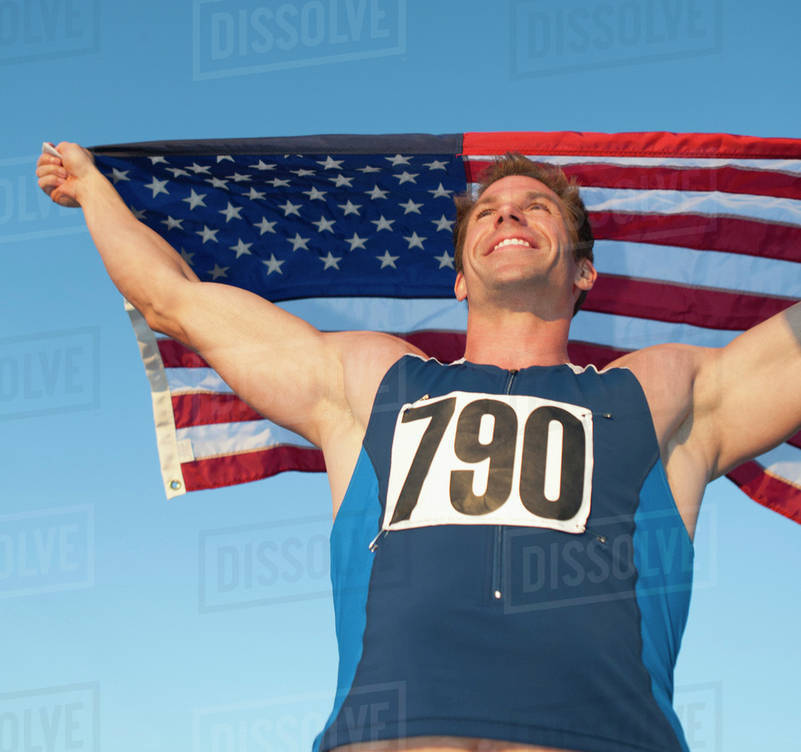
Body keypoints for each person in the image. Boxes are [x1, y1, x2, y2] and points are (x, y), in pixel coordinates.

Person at [37, 142, 801, 752]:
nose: (509, 216)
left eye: (536, 208)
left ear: (583, 269)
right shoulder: (369, 381)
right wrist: (95, 190)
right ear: (459, 280)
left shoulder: (660, 393)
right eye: (488, 213)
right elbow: (171, 300)